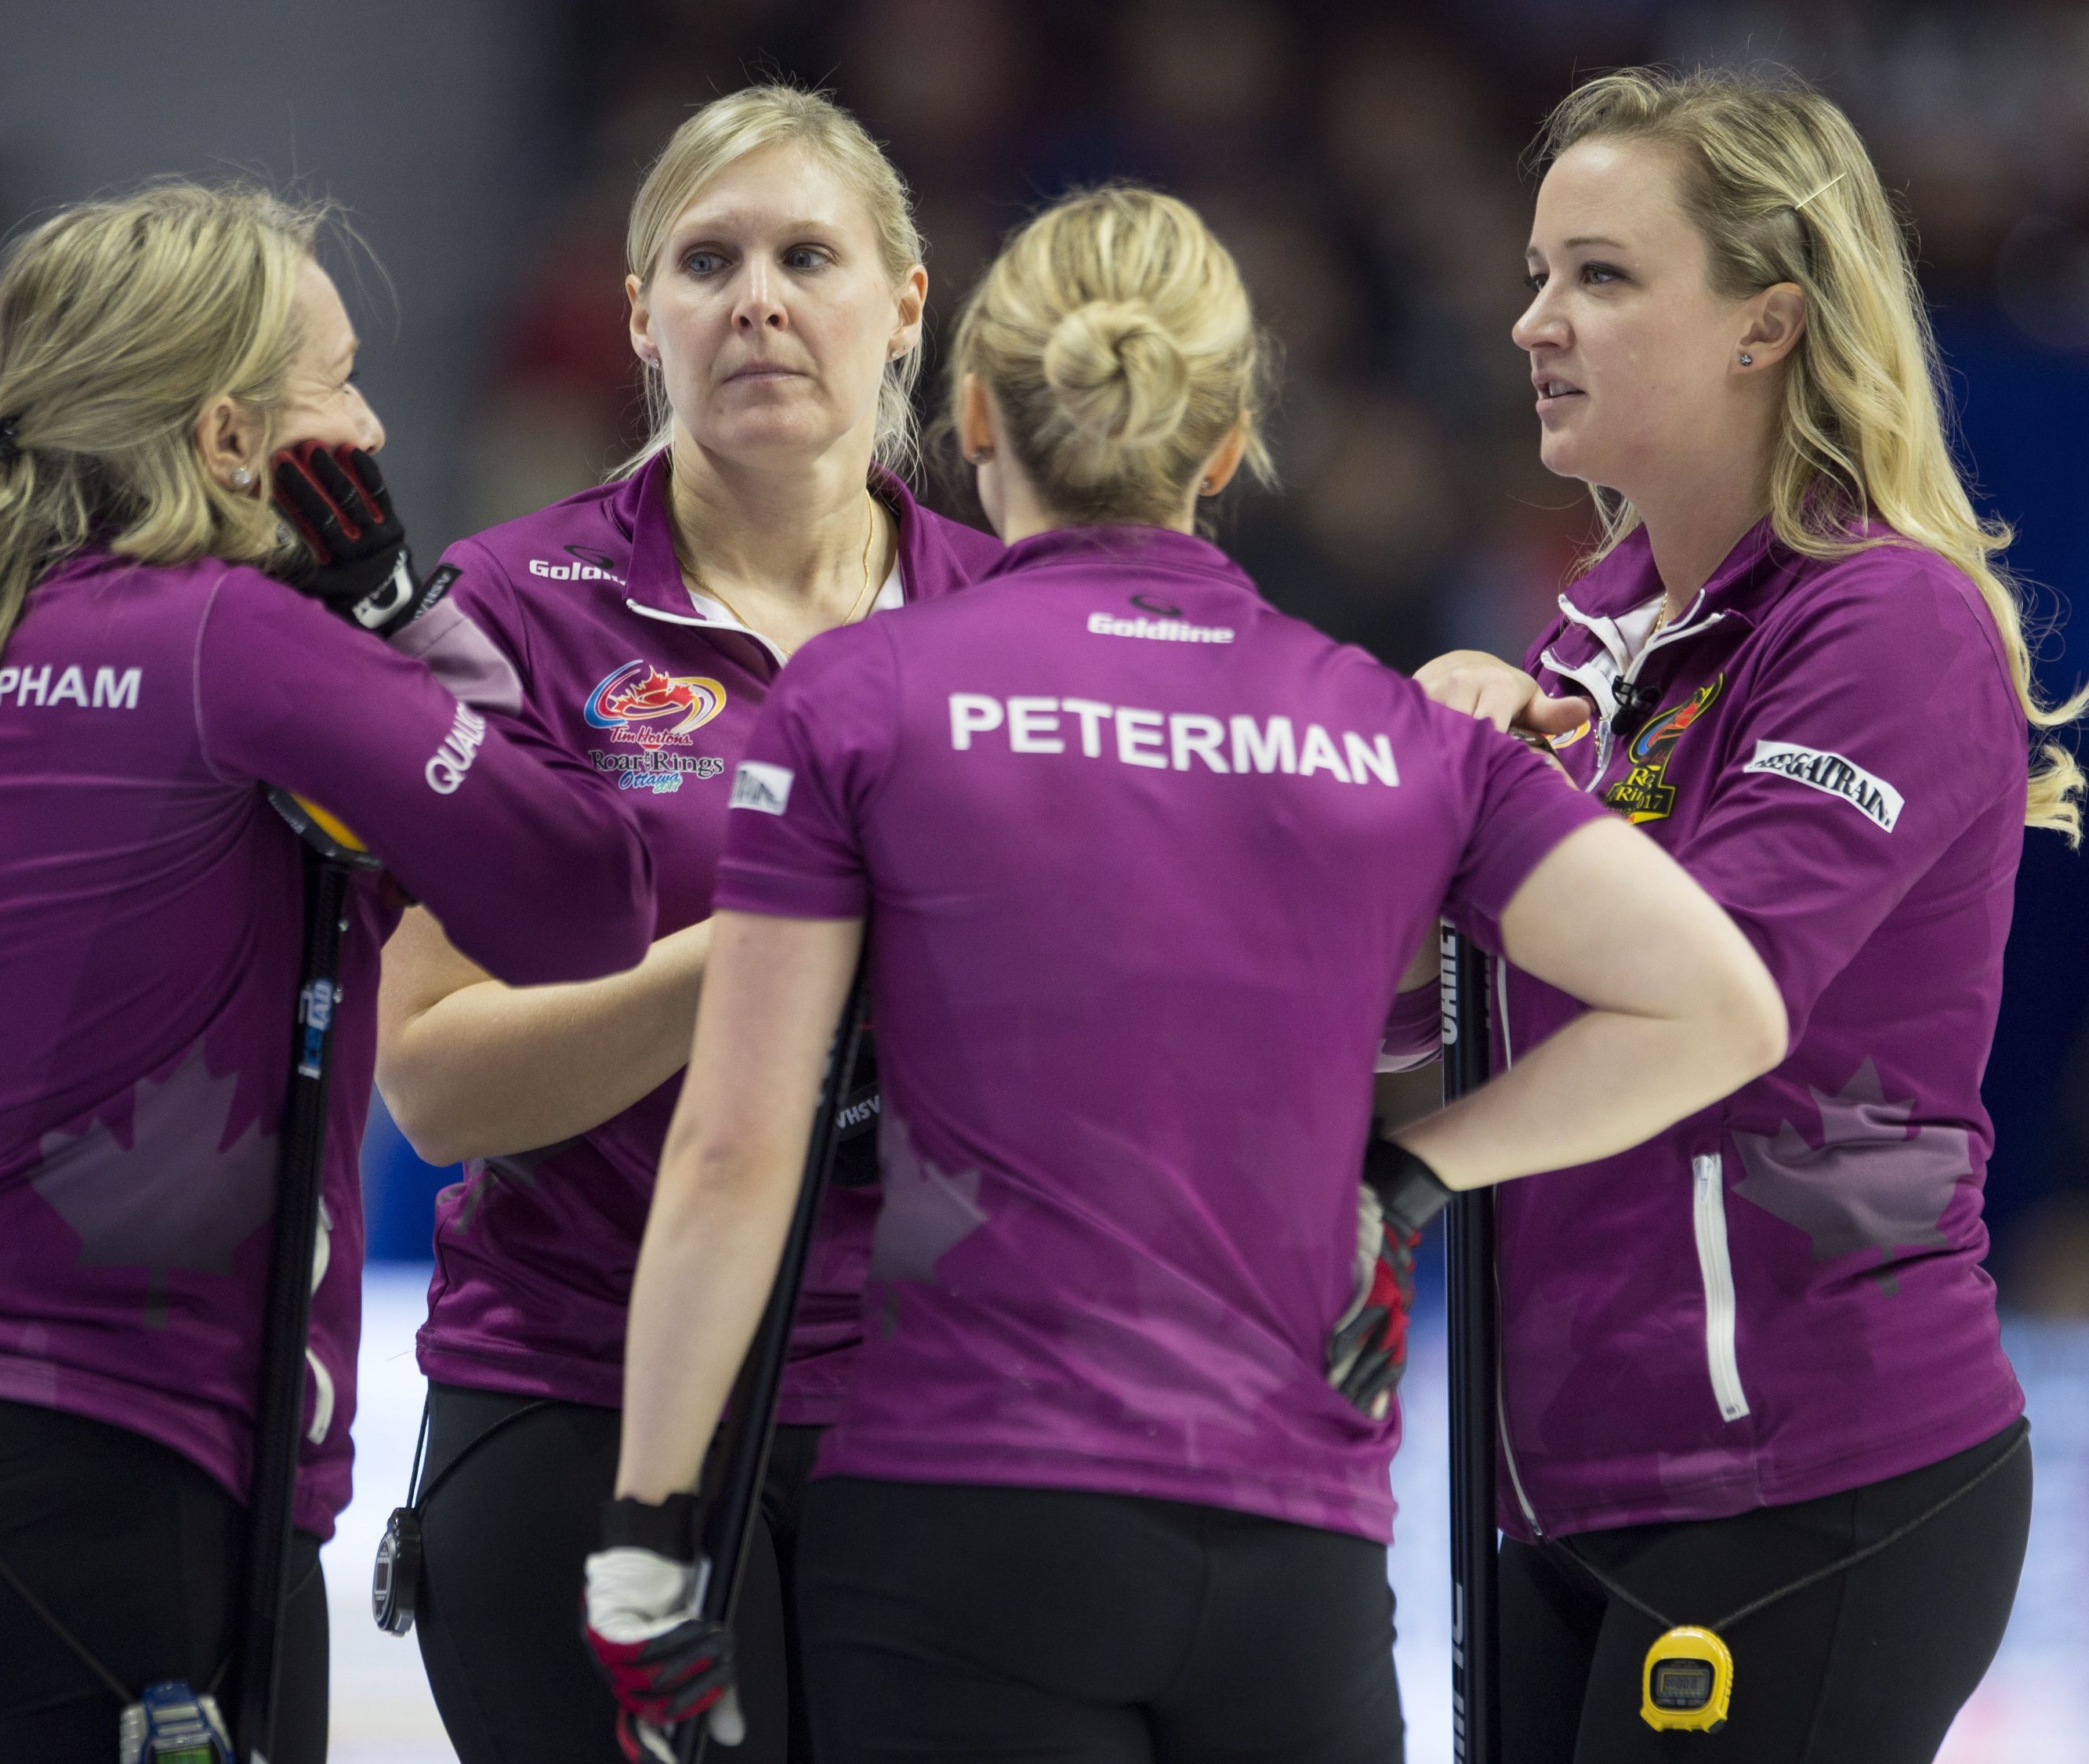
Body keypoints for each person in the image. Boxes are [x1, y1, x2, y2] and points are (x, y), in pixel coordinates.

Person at [582, 183, 1788, 1764]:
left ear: (970, 417)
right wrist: (1412, 1172)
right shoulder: (1389, 723)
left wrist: (649, 1534)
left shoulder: (861, 698)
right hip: (1292, 1553)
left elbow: (739, 1146)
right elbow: (1724, 1007)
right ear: (1227, 447)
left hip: (965, 1528)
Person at [0, 182, 655, 1764]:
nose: (375, 425)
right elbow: (588, 893)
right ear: (241, 442)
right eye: (340, 378)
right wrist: (406, 614)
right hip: (107, 1483)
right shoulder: (229, 642)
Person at [1409, 67, 2082, 1763]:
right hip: (1562, 1468)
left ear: (1766, 324)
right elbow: (1470, 1001)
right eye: (1539, 273)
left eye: (1602, 277)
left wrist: (1406, 1167)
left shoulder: (1886, 625)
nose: (1533, 323)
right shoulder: (1593, 634)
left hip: (1810, 1474)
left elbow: (1712, 998)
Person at [371, 85, 1001, 1764]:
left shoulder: (1018, 620)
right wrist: (761, 952)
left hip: (944, 1425)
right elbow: (435, 1082)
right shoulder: (507, 609)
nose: (760, 300)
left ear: (906, 304)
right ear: (643, 315)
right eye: (706, 261)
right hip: (582, 1398)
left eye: (809, 254)